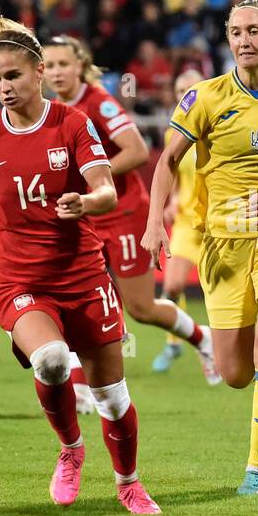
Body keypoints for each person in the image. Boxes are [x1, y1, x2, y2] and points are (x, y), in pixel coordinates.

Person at [0, 17, 162, 514]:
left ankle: (128, 482)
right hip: (21, 279)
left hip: (84, 275)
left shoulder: (71, 121)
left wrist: (88, 203)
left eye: (13, 76)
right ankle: (70, 450)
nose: (3, 87)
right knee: (51, 360)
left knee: (112, 397)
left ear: (39, 72)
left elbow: (106, 187)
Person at [141, 0, 258, 495]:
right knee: (235, 374)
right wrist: (156, 221)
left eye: (254, 31)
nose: (244, 41)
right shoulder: (203, 97)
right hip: (222, 245)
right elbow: (166, 160)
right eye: (236, 32)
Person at [41, 37, 220, 386]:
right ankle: (79, 387)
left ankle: (203, 338)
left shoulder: (100, 102)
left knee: (141, 308)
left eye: (64, 64)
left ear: (80, 66)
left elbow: (137, 151)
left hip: (123, 213)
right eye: (50, 66)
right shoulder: (54, 109)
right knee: (75, 297)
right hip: (85, 216)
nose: (58, 72)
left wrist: (89, 175)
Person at [152, 70, 210, 374]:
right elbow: (173, 170)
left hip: (218, 223)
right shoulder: (172, 133)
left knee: (219, 292)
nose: (185, 94)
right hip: (188, 221)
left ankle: (216, 347)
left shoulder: (218, 126)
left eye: (192, 89)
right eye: (180, 89)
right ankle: (174, 342)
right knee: (172, 286)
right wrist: (172, 198)